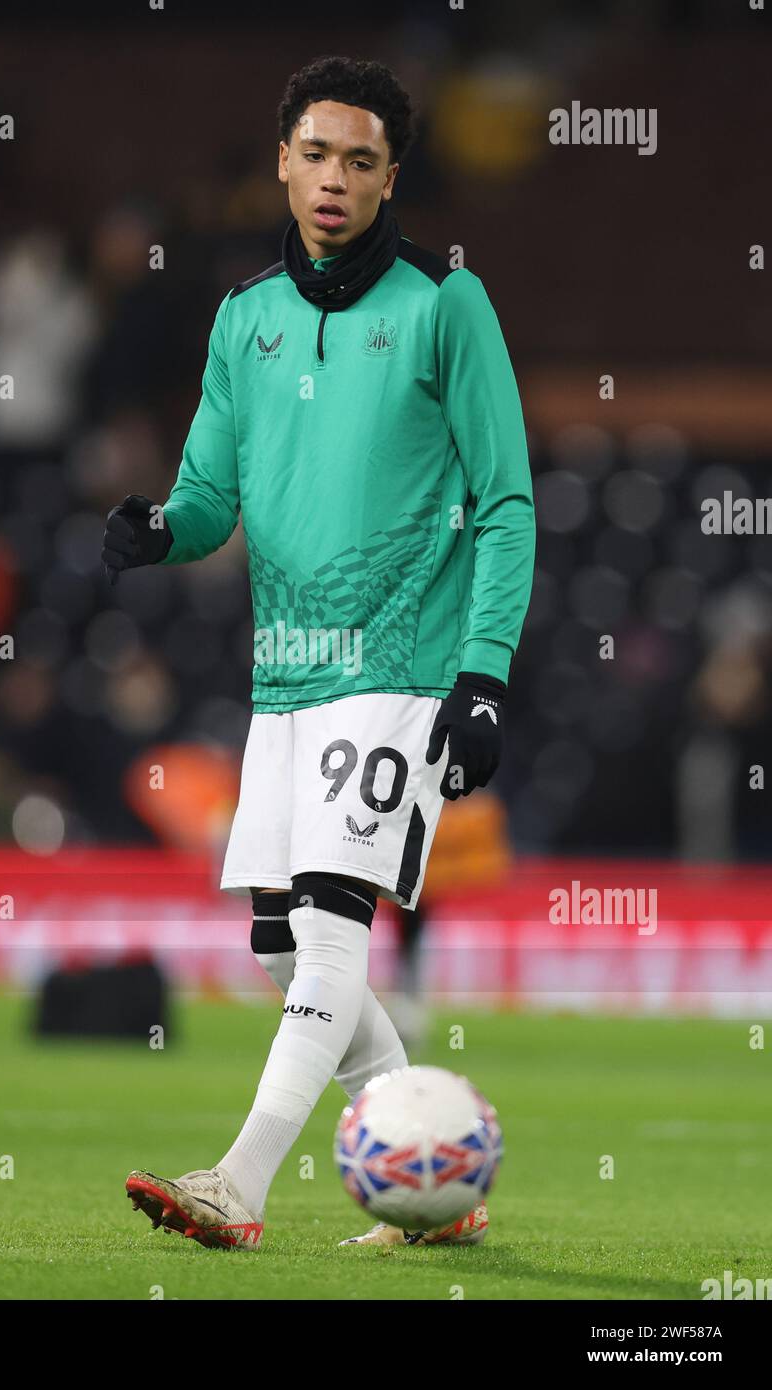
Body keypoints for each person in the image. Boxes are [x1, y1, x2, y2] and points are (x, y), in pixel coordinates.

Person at [102, 55, 535, 1250]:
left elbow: (505, 502)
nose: (334, 179)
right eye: (315, 154)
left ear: (392, 177)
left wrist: (483, 672)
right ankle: (435, 1188)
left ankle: (238, 1183)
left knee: (335, 930)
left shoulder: (448, 304)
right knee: (292, 955)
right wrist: (156, 531)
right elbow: (208, 498)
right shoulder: (243, 320)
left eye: (360, 160)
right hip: (283, 681)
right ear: (280, 162)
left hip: (398, 667)